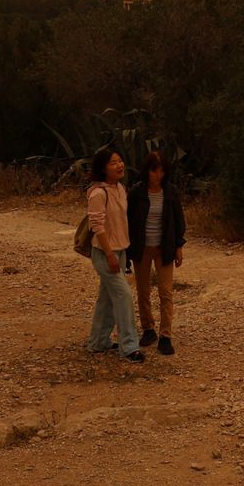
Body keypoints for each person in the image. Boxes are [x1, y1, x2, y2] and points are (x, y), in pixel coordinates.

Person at [85, 147, 143, 363]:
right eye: (113, 163)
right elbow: (97, 227)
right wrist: (109, 255)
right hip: (104, 253)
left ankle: (98, 342)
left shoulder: (120, 188)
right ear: (102, 168)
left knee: (107, 298)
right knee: (123, 295)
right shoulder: (98, 193)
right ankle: (130, 347)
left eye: (120, 161)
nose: (119, 165)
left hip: (119, 251)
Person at [126, 151, 187, 356]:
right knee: (143, 291)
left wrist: (179, 246)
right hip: (142, 248)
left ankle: (166, 335)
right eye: (154, 170)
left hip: (164, 247)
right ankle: (148, 329)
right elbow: (129, 220)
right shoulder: (137, 193)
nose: (158, 175)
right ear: (147, 171)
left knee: (165, 292)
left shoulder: (171, 193)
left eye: (162, 171)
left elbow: (179, 221)